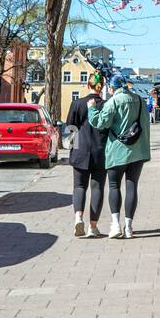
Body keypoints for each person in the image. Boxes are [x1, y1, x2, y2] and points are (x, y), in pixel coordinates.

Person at [87, 72, 151, 239]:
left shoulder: (113, 101)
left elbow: (100, 123)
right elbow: (145, 124)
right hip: (138, 151)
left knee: (114, 186)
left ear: (111, 88)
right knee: (132, 186)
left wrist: (92, 109)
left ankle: (115, 225)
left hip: (116, 150)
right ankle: (129, 227)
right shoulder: (139, 100)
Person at [66, 73, 108, 238]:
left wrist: (74, 147)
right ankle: (93, 226)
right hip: (101, 151)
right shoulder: (106, 105)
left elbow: (70, 128)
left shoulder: (77, 103)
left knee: (79, 186)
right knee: (97, 188)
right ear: (102, 87)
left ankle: (78, 218)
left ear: (87, 86)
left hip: (80, 151)